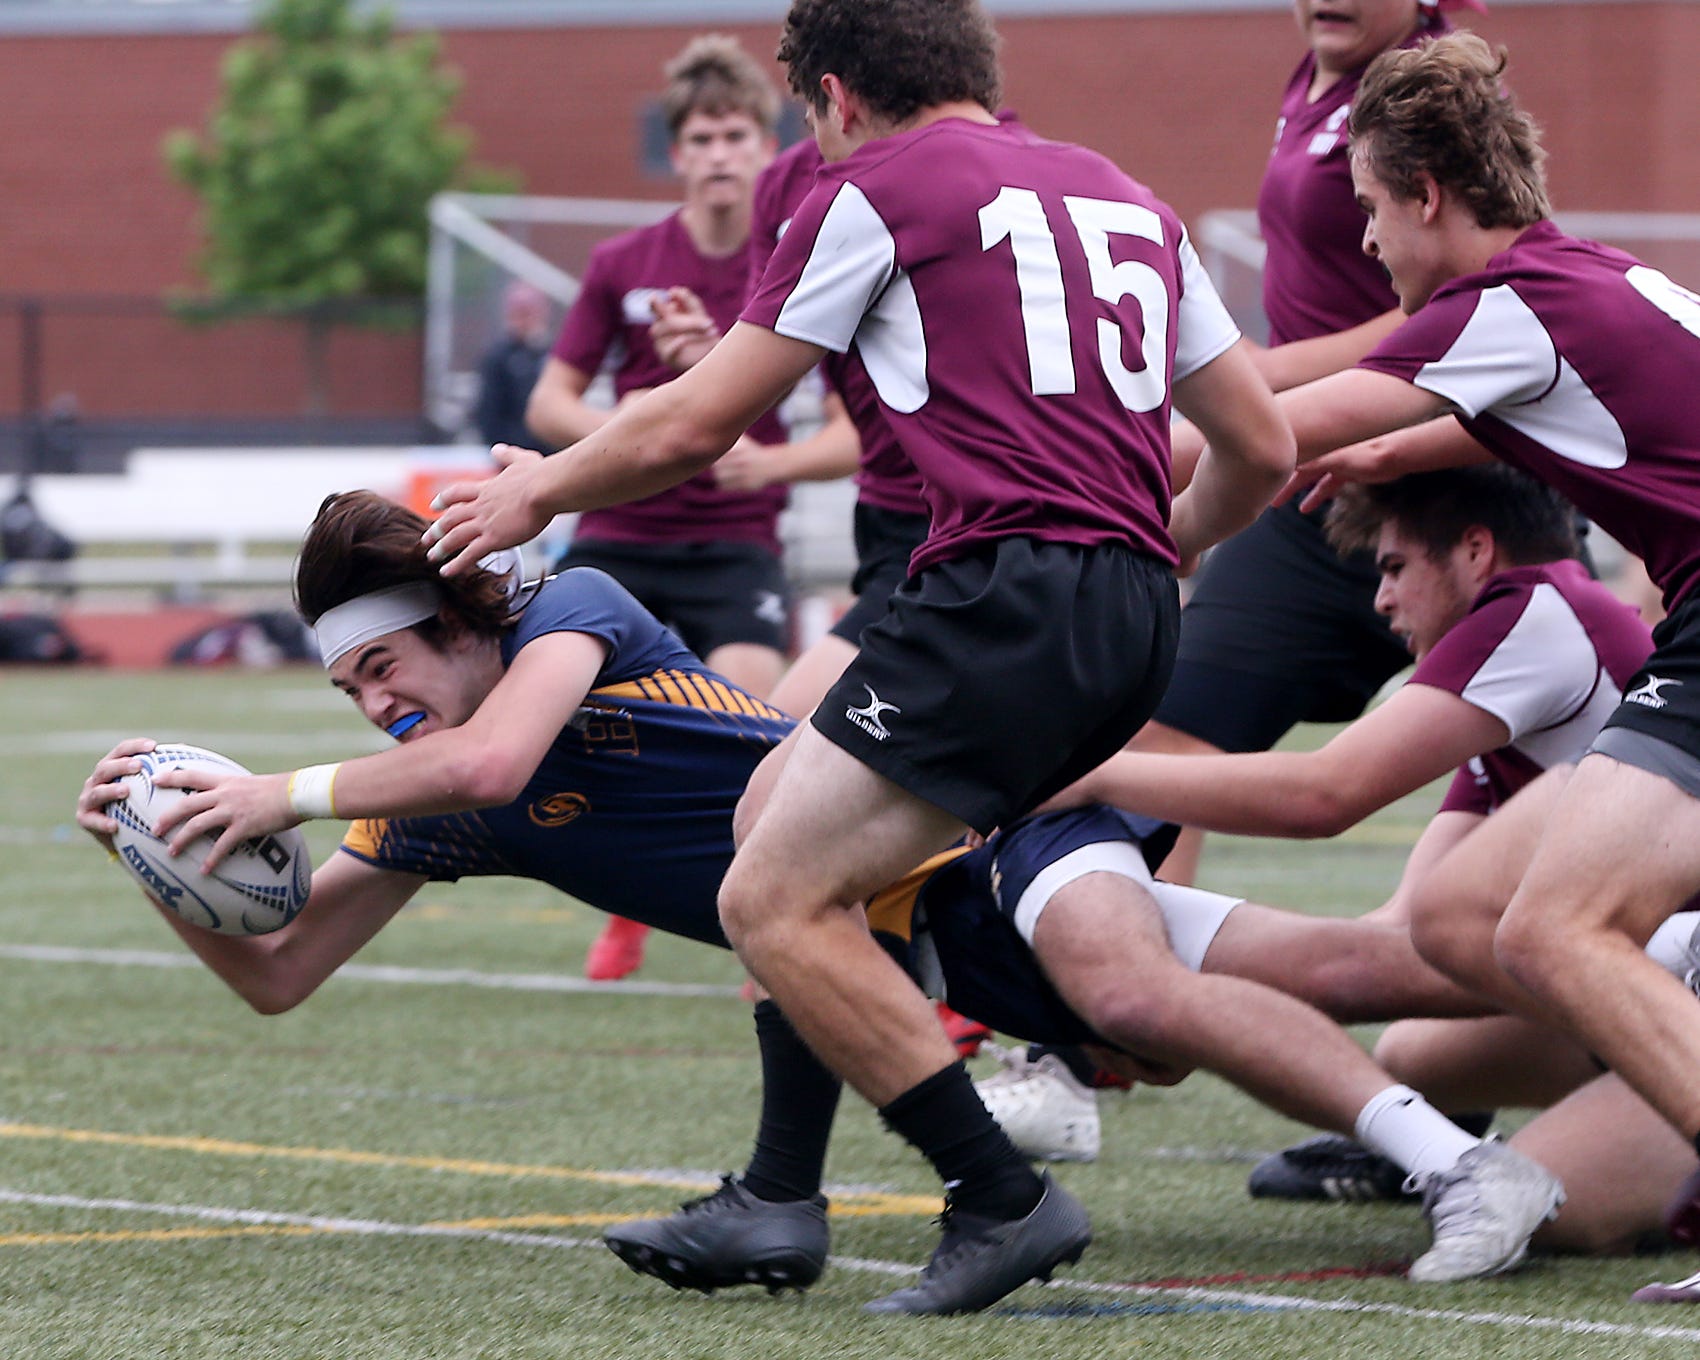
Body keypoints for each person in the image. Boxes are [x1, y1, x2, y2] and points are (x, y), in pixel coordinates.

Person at [78, 490, 1548, 1303]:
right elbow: (278, 974)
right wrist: (159, 867)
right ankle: (1628, 979)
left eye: (384, 671)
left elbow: (494, 752)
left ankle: (1457, 1168)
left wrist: (285, 789)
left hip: (990, 838)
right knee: (1374, 973)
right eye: (345, 693)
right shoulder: (444, 807)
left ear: (465, 623)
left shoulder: (573, 616)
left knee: (1125, 997)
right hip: (940, 946)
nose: (373, 708)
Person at [424, 0, 1296, 1314]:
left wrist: (536, 492)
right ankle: (781, 1194)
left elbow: (699, 417)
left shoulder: (872, 187)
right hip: (1123, 611)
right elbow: (1265, 450)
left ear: (831, 97)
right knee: (775, 811)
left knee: (767, 899)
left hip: (998, 591)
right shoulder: (1126, 195)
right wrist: (1152, 556)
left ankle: (997, 1197)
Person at [1236, 32, 1700, 1285]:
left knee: (1552, 929)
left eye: (1373, 212)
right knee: (1500, 921)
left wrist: (1058, 430)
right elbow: (1579, 406)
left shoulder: (1493, 309)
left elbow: (1256, 429)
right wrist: (1400, 451)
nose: (1370, 246)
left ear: (1428, 197)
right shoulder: (1571, 278)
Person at [994, 465, 1650, 1168]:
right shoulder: (1516, 687)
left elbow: (1323, 795)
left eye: (1394, 568)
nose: (1381, 599)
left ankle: (1654, 1104)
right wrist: (1183, 1007)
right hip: (1644, 956)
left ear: (1476, 551)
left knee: (1564, 1211)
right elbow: (1391, 943)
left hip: (1669, 954)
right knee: (1412, 1054)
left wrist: (1096, 778)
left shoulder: (1539, 612)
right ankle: (1635, 1089)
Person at [1132, 0, 1487, 888]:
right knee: (1165, 752)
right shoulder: (1318, 70)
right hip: (1316, 488)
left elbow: (1472, 295)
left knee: (1542, 796)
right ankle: (1112, 1013)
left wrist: (1265, 375)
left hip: (1425, 486)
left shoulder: (1425, 79)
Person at [524, 35, 786, 984]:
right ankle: (628, 906)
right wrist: (631, 434)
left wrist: (728, 413)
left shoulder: (793, 258)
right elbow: (549, 403)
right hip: (618, 539)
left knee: (754, 731)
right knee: (554, 730)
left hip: (735, 545)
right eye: (703, 138)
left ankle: (755, 910)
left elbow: (834, 426)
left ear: (768, 145)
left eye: (738, 135)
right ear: (677, 154)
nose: (721, 154)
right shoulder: (622, 260)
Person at [472, 282, 552, 452]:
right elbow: (488, 411)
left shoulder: (551, 354)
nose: (525, 320)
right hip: (514, 449)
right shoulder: (498, 357)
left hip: (550, 450)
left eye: (529, 313)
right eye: (519, 313)